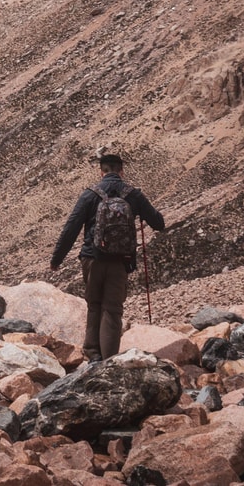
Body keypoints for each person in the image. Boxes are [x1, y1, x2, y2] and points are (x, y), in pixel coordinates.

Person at [50, 153, 165, 362]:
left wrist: (56, 259)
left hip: (92, 258)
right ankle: (109, 359)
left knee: (94, 304)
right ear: (121, 171)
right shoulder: (133, 195)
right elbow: (159, 223)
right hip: (120, 260)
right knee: (112, 309)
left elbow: (71, 228)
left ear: (101, 171)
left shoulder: (90, 194)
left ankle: (93, 354)